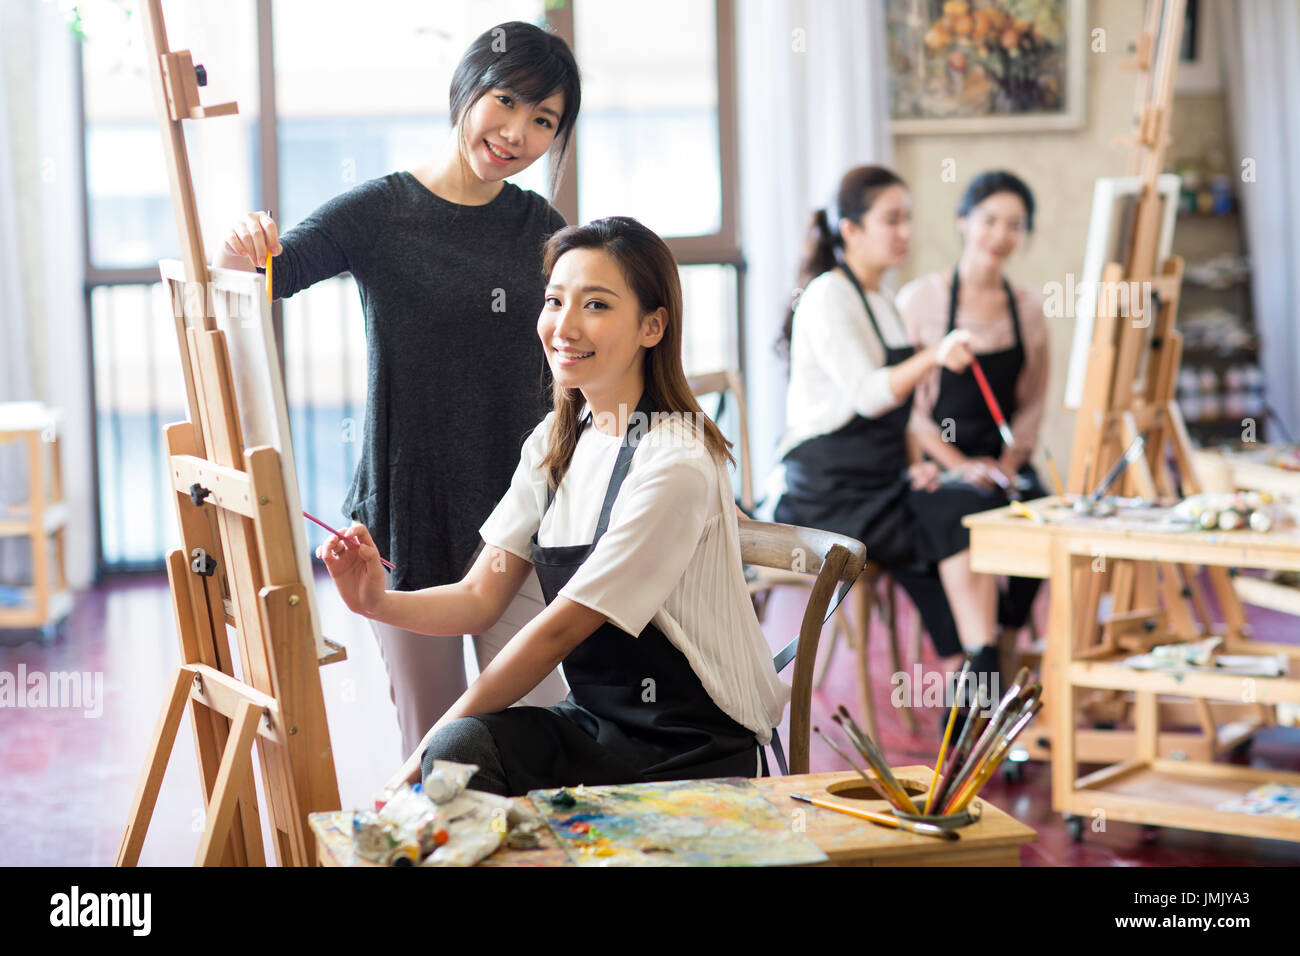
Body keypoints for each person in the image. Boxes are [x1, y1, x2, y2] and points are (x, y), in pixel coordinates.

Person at [317, 217, 788, 796]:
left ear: (652, 325)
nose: (564, 327)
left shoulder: (675, 462)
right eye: (554, 301)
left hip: (696, 746)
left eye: (595, 305)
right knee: (458, 754)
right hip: (600, 727)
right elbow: (479, 597)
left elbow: (556, 633)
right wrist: (376, 602)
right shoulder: (557, 440)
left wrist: (415, 758)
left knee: (445, 757)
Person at [215, 22, 582, 762]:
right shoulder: (382, 211)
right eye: (505, 101)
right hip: (409, 522)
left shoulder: (541, 226)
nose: (516, 133)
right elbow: (262, 277)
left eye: (544, 121)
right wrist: (238, 245)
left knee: (546, 746)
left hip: (522, 520)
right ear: (467, 90)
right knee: (439, 754)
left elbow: (577, 359)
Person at [767, 165, 975, 664]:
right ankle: (971, 668)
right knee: (950, 520)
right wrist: (935, 354)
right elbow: (868, 397)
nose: (905, 232)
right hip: (829, 490)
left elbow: (901, 416)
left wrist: (920, 465)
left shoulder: (883, 299)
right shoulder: (826, 296)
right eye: (892, 220)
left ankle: (970, 667)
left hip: (878, 478)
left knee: (959, 508)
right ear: (851, 229)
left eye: (908, 219)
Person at [897, 170, 1050, 697]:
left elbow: (1031, 403)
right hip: (939, 462)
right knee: (961, 514)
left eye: (1015, 224)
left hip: (1002, 460)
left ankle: (999, 646)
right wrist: (959, 466)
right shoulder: (921, 301)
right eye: (989, 220)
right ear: (964, 222)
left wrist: (1007, 467)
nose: (1000, 234)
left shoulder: (1028, 308)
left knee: (1042, 516)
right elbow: (908, 407)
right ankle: (980, 664)